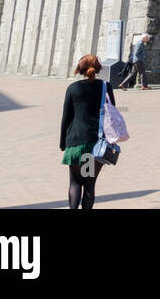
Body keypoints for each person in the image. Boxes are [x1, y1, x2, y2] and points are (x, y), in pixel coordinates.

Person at [60, 54, 116, 210]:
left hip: (76, 142)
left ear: (80, 69)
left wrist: (62, 143)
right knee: (89, 184)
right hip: (95, 145)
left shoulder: (73, 88)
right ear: (98, 69)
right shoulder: (105, 87)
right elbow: (111, 113)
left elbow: (66, 118)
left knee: (75, 182)